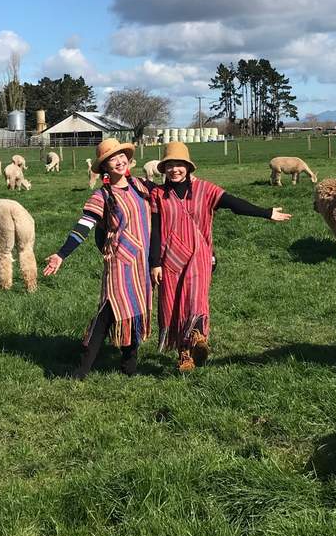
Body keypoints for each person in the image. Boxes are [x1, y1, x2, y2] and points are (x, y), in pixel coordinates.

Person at [149, 141, 290, 372]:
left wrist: (266, 213)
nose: (175, 169)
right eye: (170, 165)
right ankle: (184, 355)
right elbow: (155, 230)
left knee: (195, 299)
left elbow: (234, 204)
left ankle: (197, 338)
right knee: (173, 307)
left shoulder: (205, 190)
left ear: (189, 167)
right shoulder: (157, 195)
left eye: (180, 165)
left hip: (199, 255)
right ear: (163, 169)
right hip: (170, 259)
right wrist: (155, 263)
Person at [43, 137, 156, 379]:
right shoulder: (103, 196)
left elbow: (171, 201)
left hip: (142, 263)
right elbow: (83, 226)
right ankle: (82, 369)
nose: (118, 161)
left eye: (121, 156)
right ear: (104, 167)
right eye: (111, 159)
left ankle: (129, 365)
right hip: (119, 262)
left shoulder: (143, 186)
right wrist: (62, 254)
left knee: (136, 311)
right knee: (108, 312)